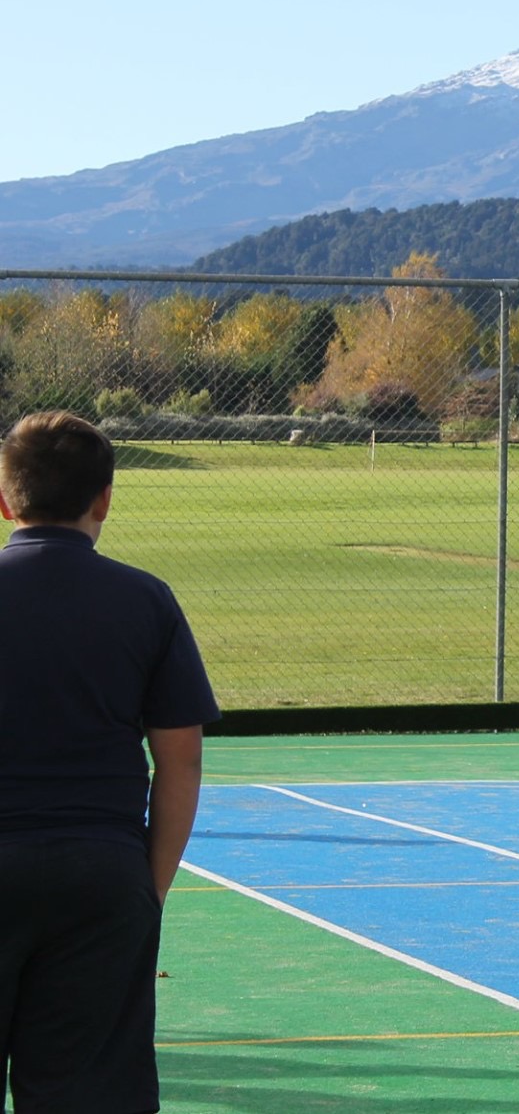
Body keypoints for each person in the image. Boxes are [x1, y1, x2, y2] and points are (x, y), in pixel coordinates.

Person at [0, 410, 220, 1112]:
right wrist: (147, 889)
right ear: (105, 499)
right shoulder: (145, 599)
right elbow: (180, 760)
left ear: (5, 500)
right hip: (101, 871)